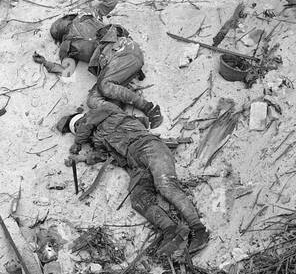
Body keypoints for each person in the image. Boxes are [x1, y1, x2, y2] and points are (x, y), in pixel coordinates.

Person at [59, 103, 209, 254]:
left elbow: (86, 124)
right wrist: (80, 158)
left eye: (78, 126)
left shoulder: (103, 111)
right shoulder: (98, 140)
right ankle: (171, 230)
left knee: (166, 185)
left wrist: (77, 143)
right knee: (139, 200)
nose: (80, 129)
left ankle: (199, 230)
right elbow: (103, 156)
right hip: (135, 164)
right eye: (76, 130)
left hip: (149, 146)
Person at [47, 12, 163, 127]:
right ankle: (129, 120)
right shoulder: (86, 18)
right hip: (125, 55)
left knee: (105, 85)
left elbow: (66, 71)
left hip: (120, 54)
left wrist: (46, 63)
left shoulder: (68, 43)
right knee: (93, 100)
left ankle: (148, 107)